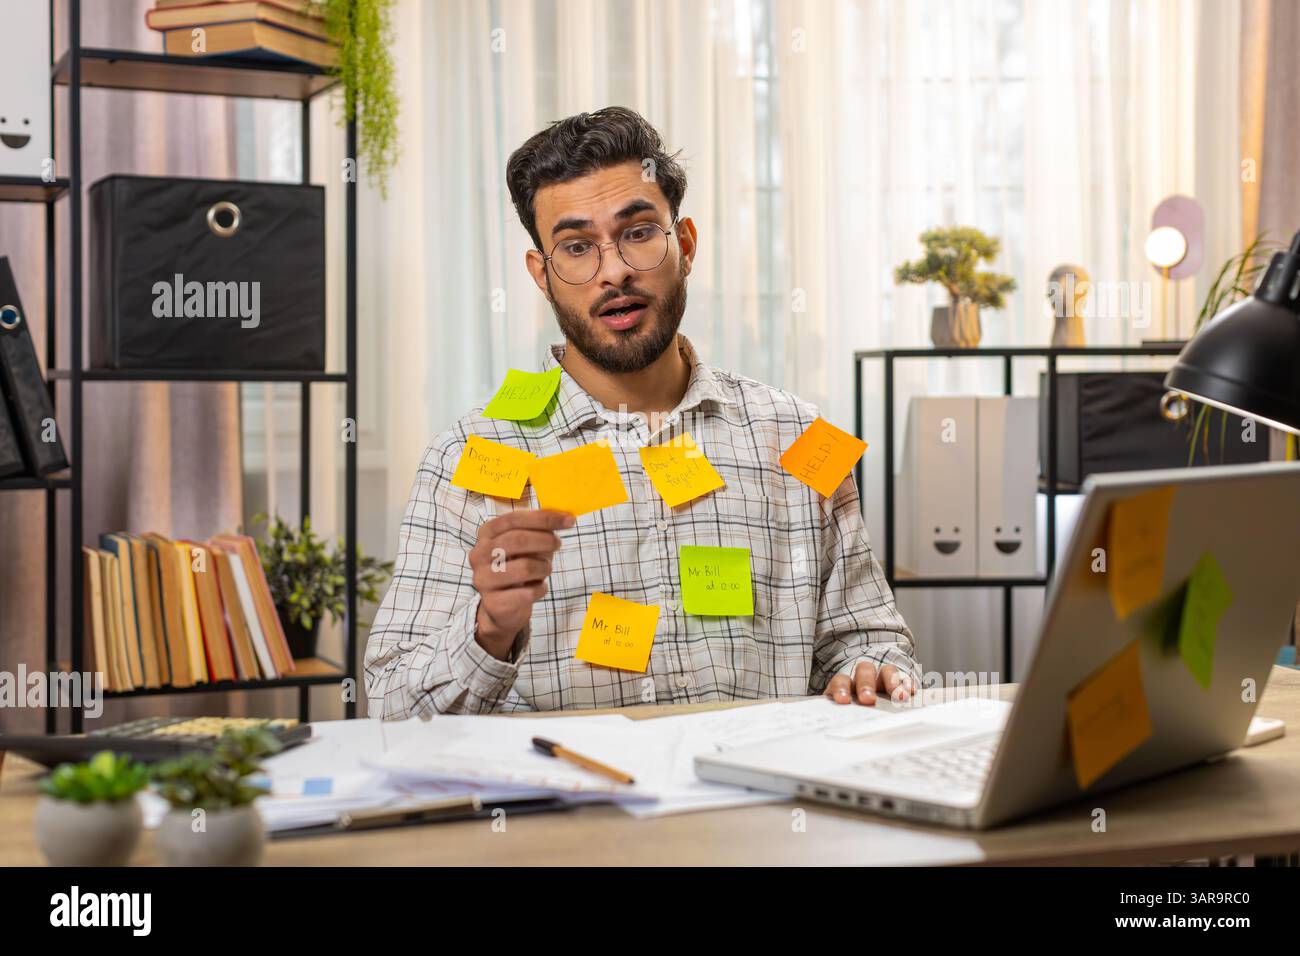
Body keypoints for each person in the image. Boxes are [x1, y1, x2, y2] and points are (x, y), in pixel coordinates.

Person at [365, 106, 920, 717]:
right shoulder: (467, 457)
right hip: (569, 809)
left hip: (753, 805)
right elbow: (392, 705)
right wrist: (489, 629)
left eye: (638, 233)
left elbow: (868, 641)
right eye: (576, 247)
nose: (615, 271)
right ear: (542, 275)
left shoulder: (798, 437)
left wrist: (871, 671)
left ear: (683, 244)